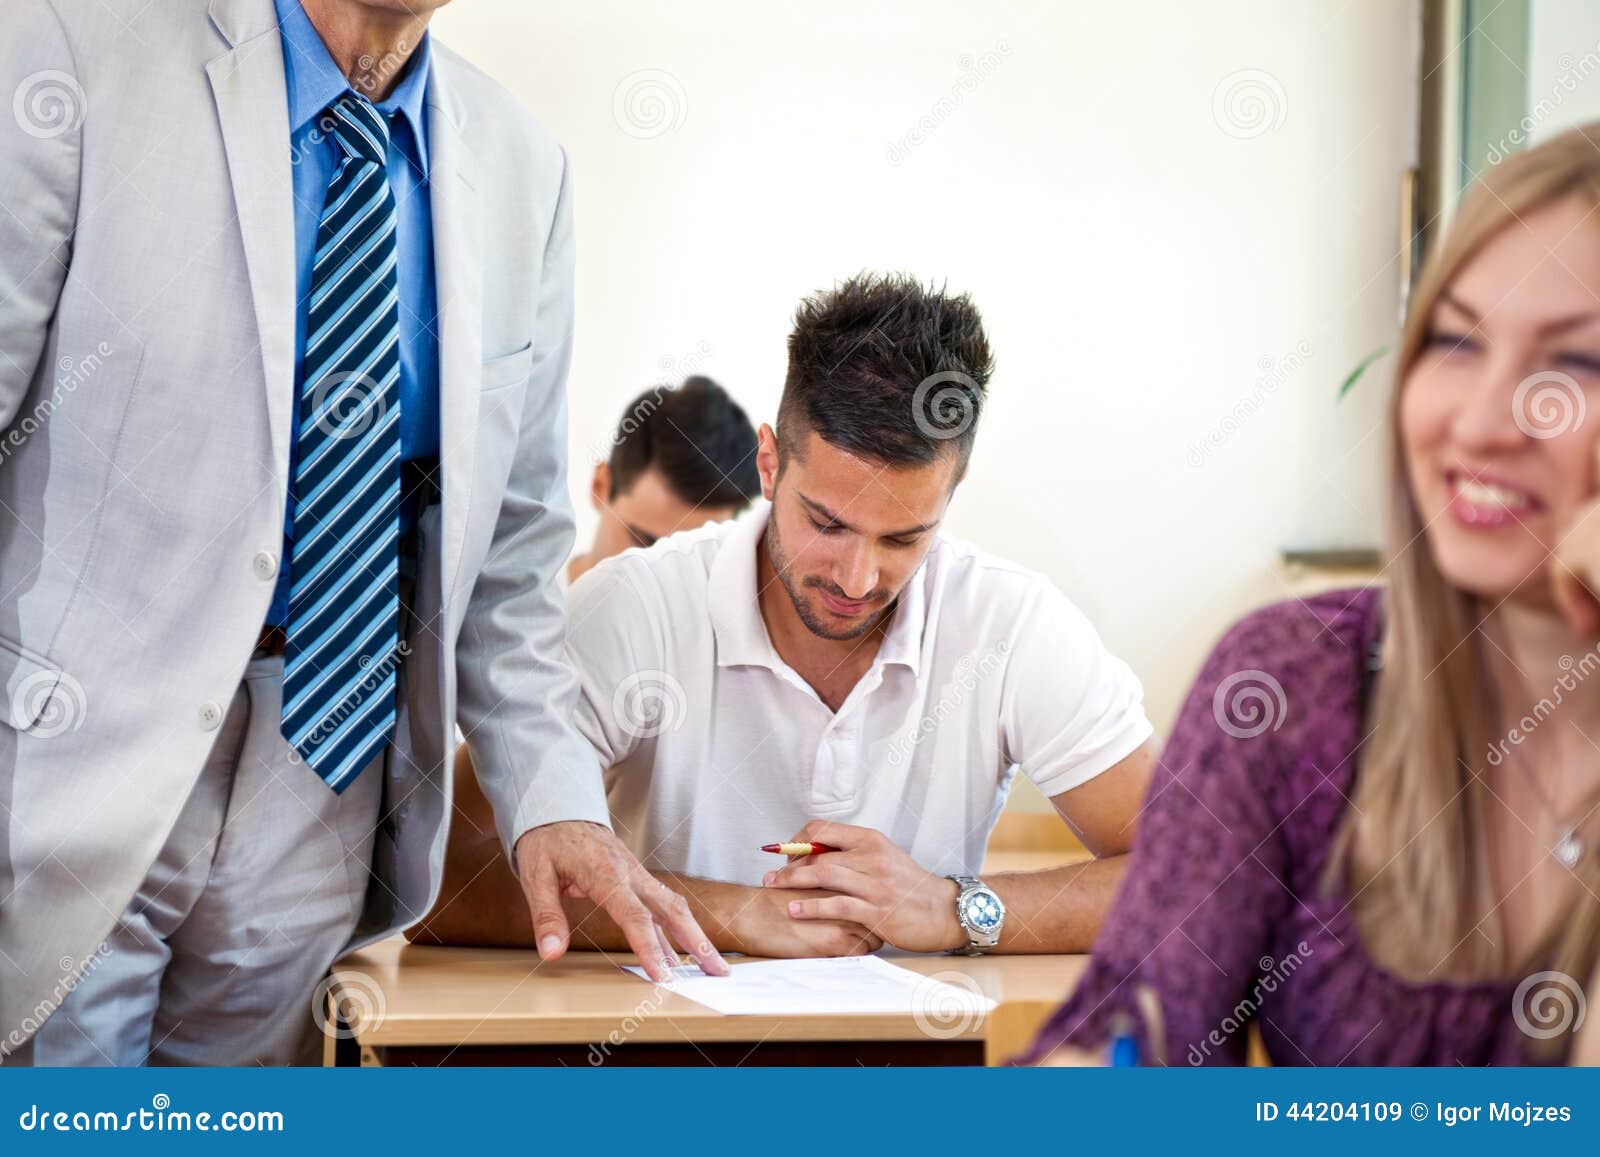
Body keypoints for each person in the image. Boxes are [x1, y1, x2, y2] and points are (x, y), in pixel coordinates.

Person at [0, 0, 720, 1067]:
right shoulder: (74, 47)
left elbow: (512, 559)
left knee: (241, 1130)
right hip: (69, 762)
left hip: (325, 778)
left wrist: (556, 802)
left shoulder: (523, 168)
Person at [1022, 124, 1600, 1067]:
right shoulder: (1295, 682)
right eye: (1456, 339)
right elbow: (1137, 1040)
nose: (1483, 422)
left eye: (1577, 364)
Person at [421, 273, 1157, 956]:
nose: (857, 579)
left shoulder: (1013, 624)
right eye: (828, 523)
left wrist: (954, 908)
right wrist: (733, 914)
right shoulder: (633, 609)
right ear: (769, 465)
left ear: (950, 496)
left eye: (903, 538)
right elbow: (437, 883)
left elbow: (1192, 875)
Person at [567, 376, 761, 585]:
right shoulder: (540, 599)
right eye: (646, 544)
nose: (664, 583)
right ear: (601, 486)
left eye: (695, 558)